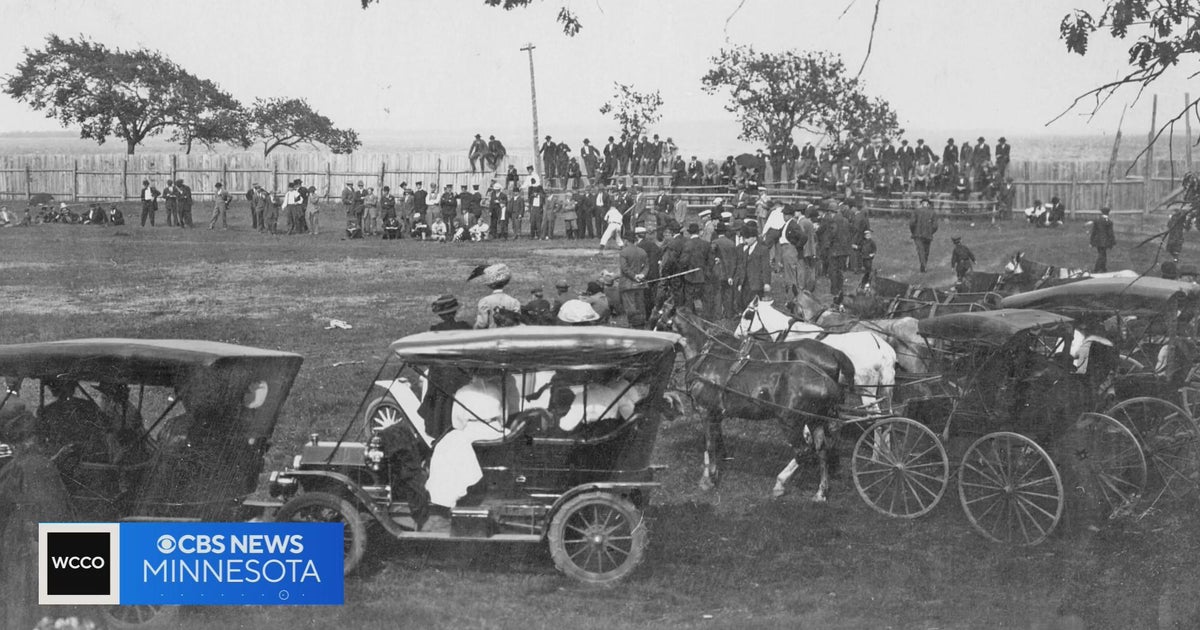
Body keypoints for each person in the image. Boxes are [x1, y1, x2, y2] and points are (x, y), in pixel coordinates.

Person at [0, 399, 77, 630]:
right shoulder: (44, 464)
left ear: (18, 443)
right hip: (45, 543)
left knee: (22, 600)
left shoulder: (19, 467)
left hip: (25, 544)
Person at [471, 264, 521, 329]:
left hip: (491, 337)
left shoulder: (485, 301)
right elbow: (518, 322)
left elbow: (482, 323)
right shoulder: (514, 301)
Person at [620, 228, 651, 328]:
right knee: (640, 304)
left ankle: (633, 324)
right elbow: (647, 266)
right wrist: (642, 275)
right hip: (640, 283)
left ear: (626, 240)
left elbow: (624, 268)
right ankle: (641, 323)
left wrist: (634, 276)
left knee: (630, 305)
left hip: (628, 283)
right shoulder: (642, 251)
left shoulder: (624, 252)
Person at [909, 197, 938, 273]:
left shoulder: (916, 211)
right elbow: (935, 226)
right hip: (928, 235)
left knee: (920, 250)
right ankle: (924, 265)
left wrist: (913, 231)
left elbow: (912, 223)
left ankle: (923, 265)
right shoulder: (933, 212)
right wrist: (930, 232)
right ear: (928, 204)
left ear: (921, 204)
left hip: (917, 234)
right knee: (926, 251)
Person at [1089, 207, 1117, 273]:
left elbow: (1094, 232)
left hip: (1097, 241)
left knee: (1103, 254)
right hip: (1105, 242)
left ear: (1102, 213)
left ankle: (1103, 268)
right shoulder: (1109, 222)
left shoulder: (1097, 220)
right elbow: (1110, 233)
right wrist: (1113, 242)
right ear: (1108, 213)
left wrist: (1091, 241)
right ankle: (1096, 269)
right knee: (1102, 255)